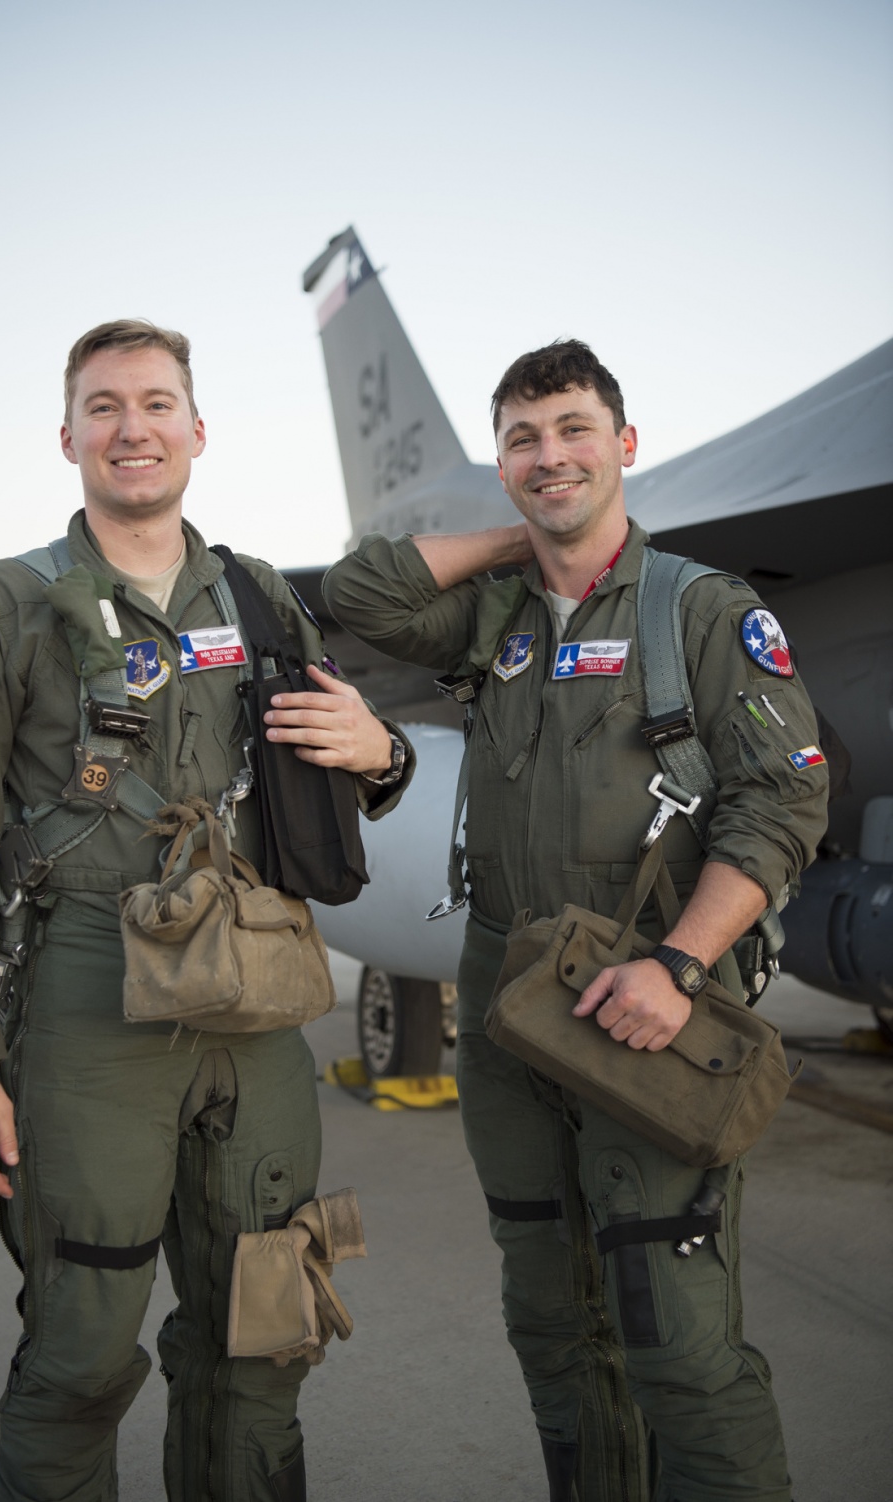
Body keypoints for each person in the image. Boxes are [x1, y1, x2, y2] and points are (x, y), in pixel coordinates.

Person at [0, 319, 413, 1502]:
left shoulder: (262, 596)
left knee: (268, 1330)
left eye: (157, 403)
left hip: (257, 1001)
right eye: (106, 406)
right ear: (68, 436)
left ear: (197, 429)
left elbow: (334, 770)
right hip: (88, 1004)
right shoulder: (4, 605)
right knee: (78, 1355)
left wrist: (382, 752)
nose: (134, 428)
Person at [322, 340, 829, 1502]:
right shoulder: (493, 617)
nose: (550, 455)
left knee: (678, 1341)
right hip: (511, 1010)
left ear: (625, 443)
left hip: (648, 1004)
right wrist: (524, 534)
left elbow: (783, 800)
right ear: (501, 464)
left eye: (573, 432)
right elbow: (360, 593)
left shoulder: (699, 609)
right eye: (523, 441)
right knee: (551, 1323)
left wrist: (678, 965)